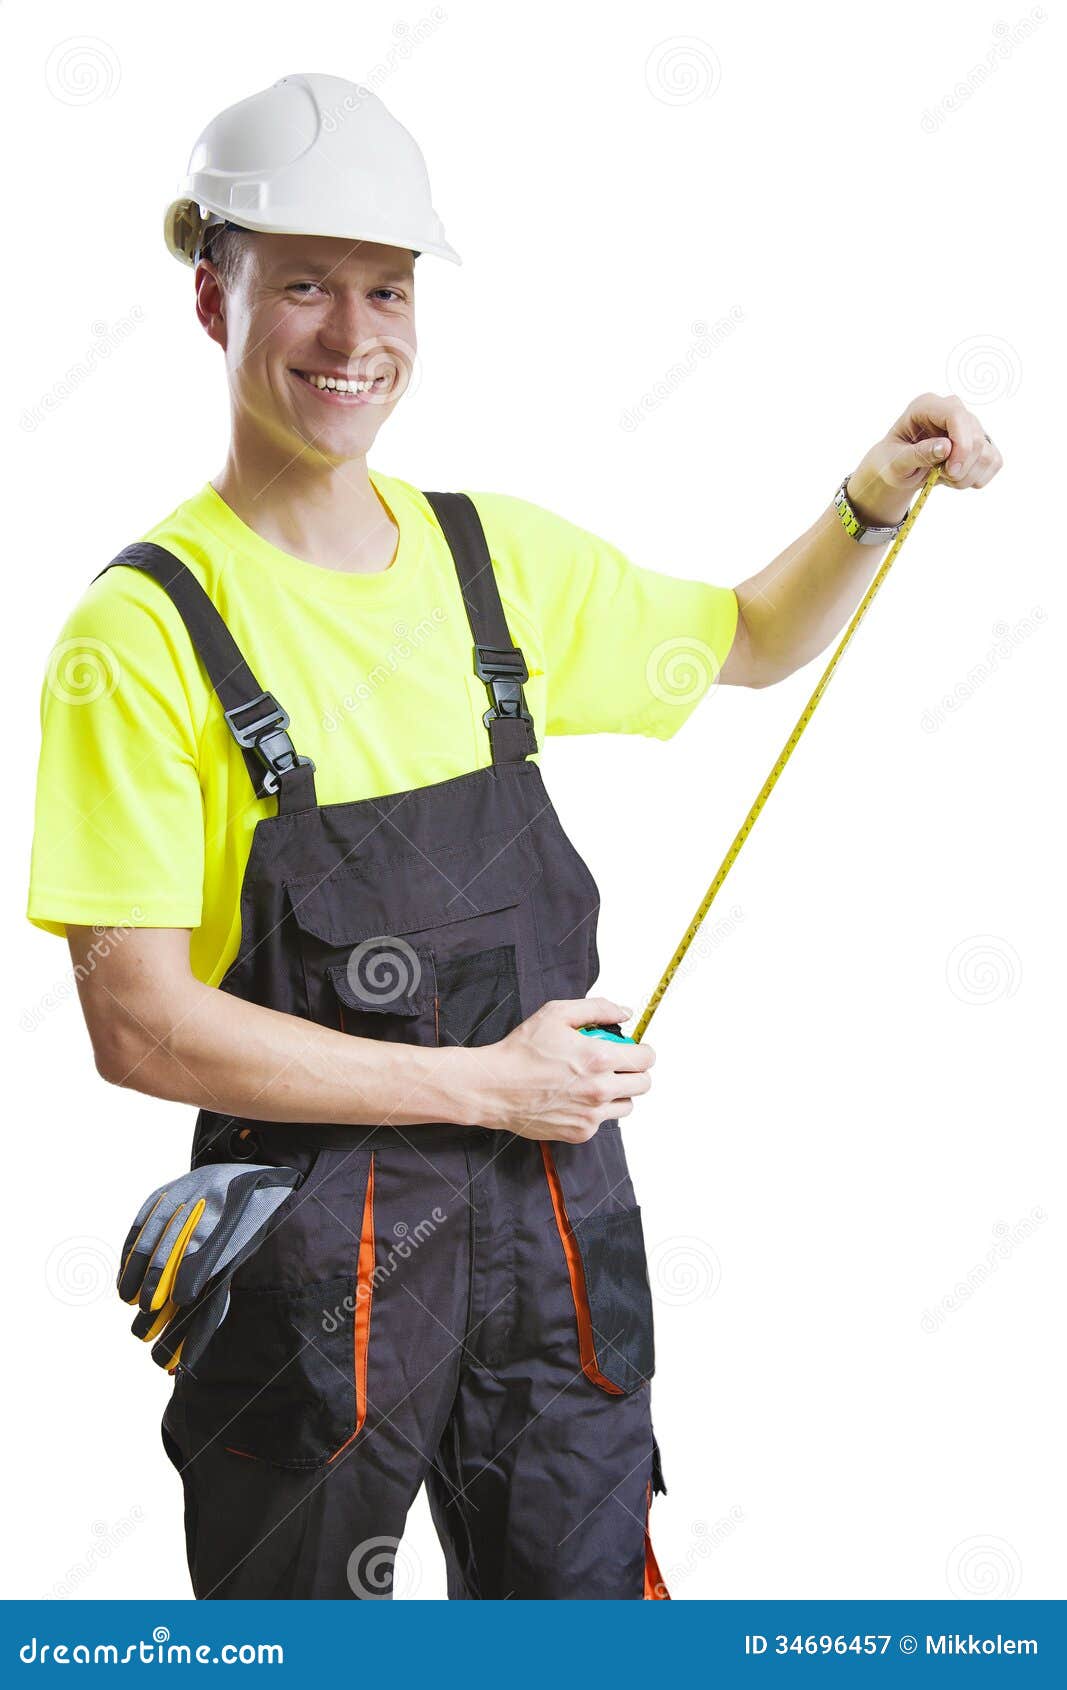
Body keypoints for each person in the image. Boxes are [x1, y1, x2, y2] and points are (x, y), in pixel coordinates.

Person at [26, 72, 1002, 1601]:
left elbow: (747, 637)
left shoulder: (494, 564)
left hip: (554, 1234)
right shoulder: (142, 633)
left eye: (386, 289)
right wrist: (488, 1084)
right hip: (316, 1263)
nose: (354, 338)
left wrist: (871, 502)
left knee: (590, 1630)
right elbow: (139, 1023)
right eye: (303, 287)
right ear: (214, 297)